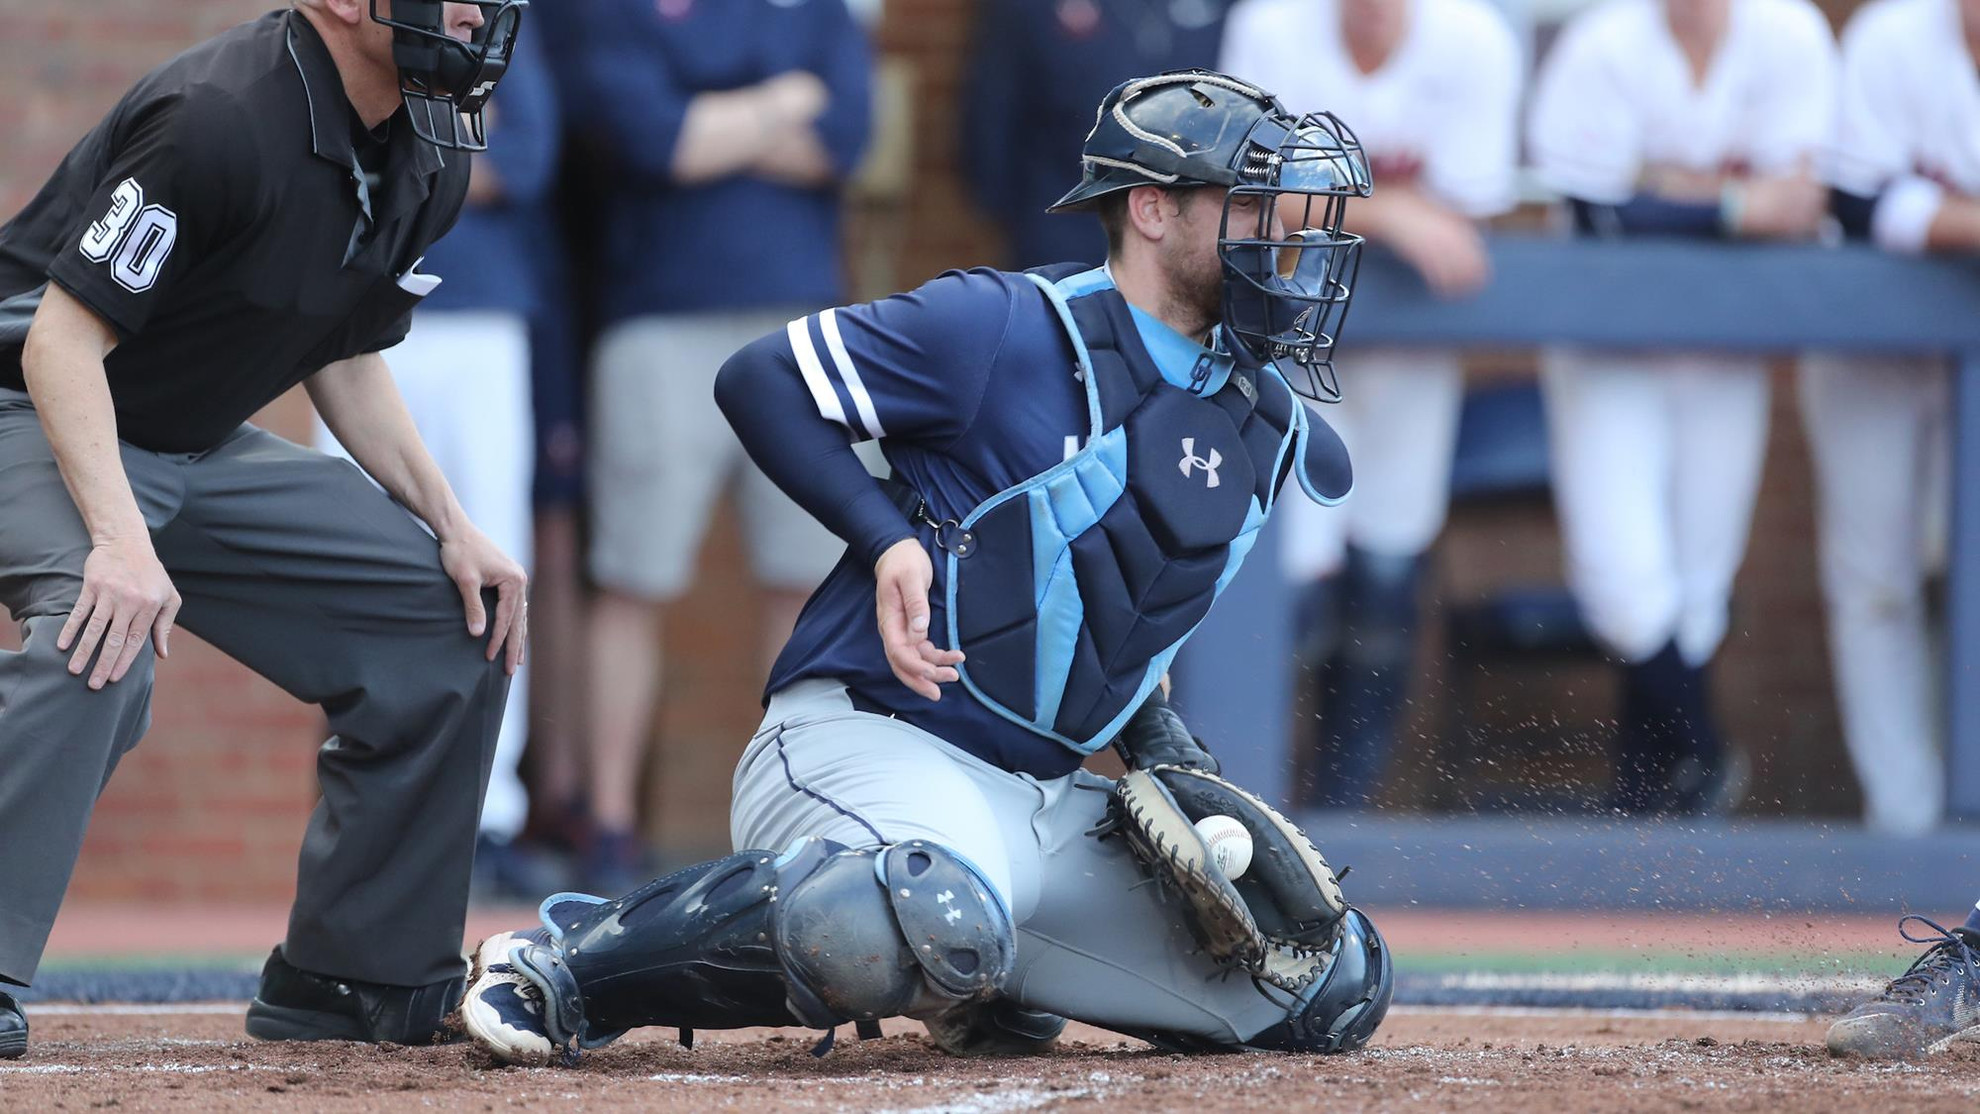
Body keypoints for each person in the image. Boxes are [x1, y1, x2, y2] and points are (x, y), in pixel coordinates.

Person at [452, 70, 1392, 1066]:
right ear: (1152, 210)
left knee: (1320, 981)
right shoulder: (1006, 327)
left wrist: (1168, 755)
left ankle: (978, 973)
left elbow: (1107, 604)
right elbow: (761, 377)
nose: (1282, 232)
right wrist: (885, 536)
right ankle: (565, 962)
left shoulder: (1266, 422)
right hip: (865, 745)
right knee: (902, 912)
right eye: (1246, 203)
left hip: (1036, 799)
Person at [0, 0, 531, 1059]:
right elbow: (59, 346)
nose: (476, 5)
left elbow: (342, 350)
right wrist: (117, 539)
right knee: (99, 634)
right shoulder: (216, 118)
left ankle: (353, 972)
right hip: (33, 406)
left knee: (445, 610)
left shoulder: (427, 147)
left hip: (190, 442)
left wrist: (453, 522)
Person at [564, 0, 873, 892]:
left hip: (805, 332)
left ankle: (797, 818)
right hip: (654, 322)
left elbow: (846, 139)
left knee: (808, 585)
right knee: (630, 578)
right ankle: (609, 823)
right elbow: (653, 143)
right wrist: (782, 102)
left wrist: (713, 120)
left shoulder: (818, 12)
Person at [1526, 0, 1836, 814]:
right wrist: (1732, 205)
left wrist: (1665, 195)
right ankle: (1706, 753)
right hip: (1607, 338)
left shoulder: (1788, 32)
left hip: (1720, 340)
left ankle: (1651, 805)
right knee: (1624, 586)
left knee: (1697, 589)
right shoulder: (1604, 43)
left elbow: (1803, 204)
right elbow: (1596, 210)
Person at [1219, 0, 1521, 809]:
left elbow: (1467, 222)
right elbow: (1240, 197)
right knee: (1290, 579)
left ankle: (1341, 814)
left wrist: (1336, 212)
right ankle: (1257, 803)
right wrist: (1385, 211)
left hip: (1412, 353)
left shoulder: (1472, 39)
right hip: (1289, 348)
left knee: (1388, 575)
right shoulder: (1273, 27)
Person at [314, 16, 560, 897]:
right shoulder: (354, 22)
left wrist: (397, 156)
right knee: (341, 553)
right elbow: (325, 152)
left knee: (492, 549)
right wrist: (446, 151)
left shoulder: (487, 20)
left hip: (480, 316)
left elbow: (524, 160)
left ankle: (487, 815)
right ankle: (355, 793)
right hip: (355, 326)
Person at [1800, 0, 1980, 838]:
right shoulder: (1893, 34)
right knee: (1875, 580)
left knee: (1961, 563)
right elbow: (1859, 204)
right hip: (1870, 347)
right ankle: (1903, 817)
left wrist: (1935, 217)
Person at [964, 0, 1230, 268]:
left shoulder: (1231, 9)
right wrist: (1018, 217)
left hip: (1185, 222)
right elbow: (992, 113)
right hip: (1064, 219)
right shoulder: (1029, 9)